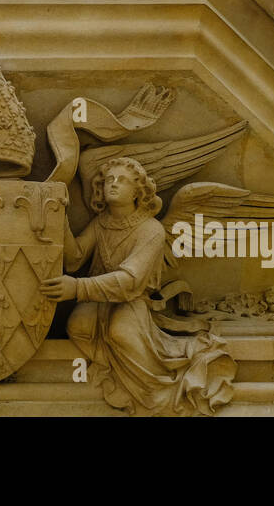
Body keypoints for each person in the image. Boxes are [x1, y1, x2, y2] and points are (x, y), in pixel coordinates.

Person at [41, 157, 235, 416]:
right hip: (99, 301)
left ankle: (158, 393)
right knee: (78, 325)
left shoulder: (150, 230)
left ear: (138, 191)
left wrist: (77, 289)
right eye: (109, 180)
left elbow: (130, 282)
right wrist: (60, 217)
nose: (113, 184)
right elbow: (75, 258)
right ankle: (117, 372)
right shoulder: (101, 223)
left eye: (122, 180)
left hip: (132, 301)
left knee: (121, 332)